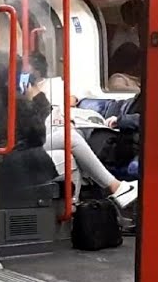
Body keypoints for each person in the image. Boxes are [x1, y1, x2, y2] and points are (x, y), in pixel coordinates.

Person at [26, 51, 138, 208]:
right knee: (70, 137)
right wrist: (32, 96)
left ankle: (75, 210)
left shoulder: (43, 89)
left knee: (70, 150)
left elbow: (39, 117)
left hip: (28, 140)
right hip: (19, 147)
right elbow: (25, 127)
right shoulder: (8, 102)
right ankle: (116, 187)